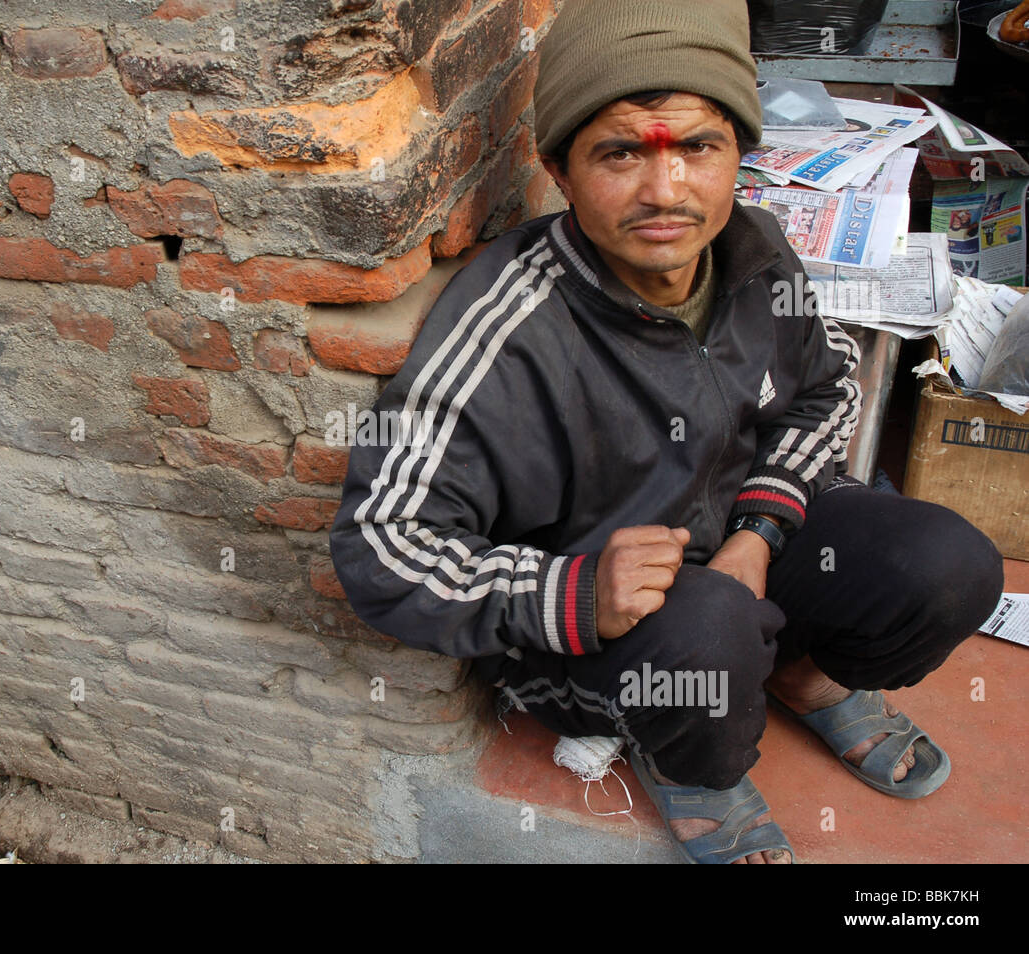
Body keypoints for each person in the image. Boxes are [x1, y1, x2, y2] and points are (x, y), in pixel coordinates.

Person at [328, 0, 1003, 864]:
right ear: (561, 172)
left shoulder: (753, 253)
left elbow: (825, 389)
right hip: (609, 631)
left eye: (698, 147)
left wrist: (761, 528)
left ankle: (799, 674)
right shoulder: (507, 331)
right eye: (619, 153)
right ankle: (696, 765)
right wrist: (571, 597)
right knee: (707, 634)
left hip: (738, 548)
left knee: (946, 566)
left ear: (737, 158)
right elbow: (381, 542)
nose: (665, 191)